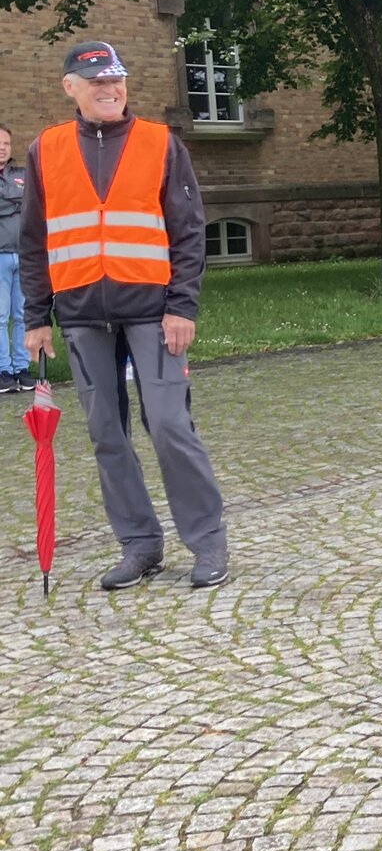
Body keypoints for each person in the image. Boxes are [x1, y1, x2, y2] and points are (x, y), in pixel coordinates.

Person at [19, 41, 229, 589]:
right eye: (96, 82)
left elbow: (187, 231)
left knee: (167, 423)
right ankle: (139, 544)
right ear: (71, 88)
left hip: (153, 311)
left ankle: (207, 542)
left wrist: (182, 305)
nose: (110, 90)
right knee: (105, 432)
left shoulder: (161, 143)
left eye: (117, 81)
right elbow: (34, 242)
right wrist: (36, 318)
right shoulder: (47, 148)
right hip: (82, 313)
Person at [0, 127, 27, 391]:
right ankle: (3, 370)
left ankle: (22, 367)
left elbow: (34, 203)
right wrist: (18, 201)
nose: (3, 148)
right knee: (0, 316)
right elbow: (21, 202)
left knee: (22, 315)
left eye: (6, 143)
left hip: (24, 256)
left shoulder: (21, 175)